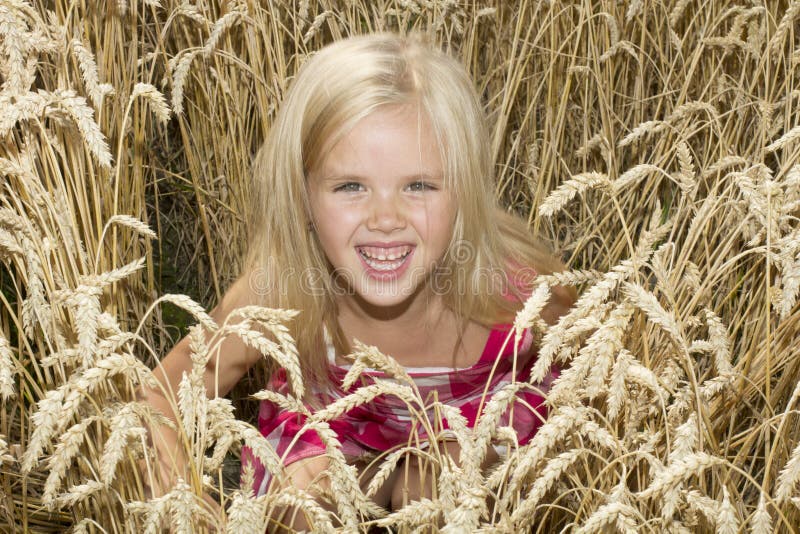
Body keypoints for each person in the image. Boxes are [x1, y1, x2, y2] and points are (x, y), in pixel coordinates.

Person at [142, 33, 575, 530]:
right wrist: (189, 509)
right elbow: (160, 394)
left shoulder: (518, 286)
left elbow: (597, 375)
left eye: (418, 185)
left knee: (435, 490)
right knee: (300, 507)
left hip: (473, 431)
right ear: (302, 198)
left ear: (465, 194)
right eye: (350, 186)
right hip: (331, 432)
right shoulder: (282, 288)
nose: (385, 218)